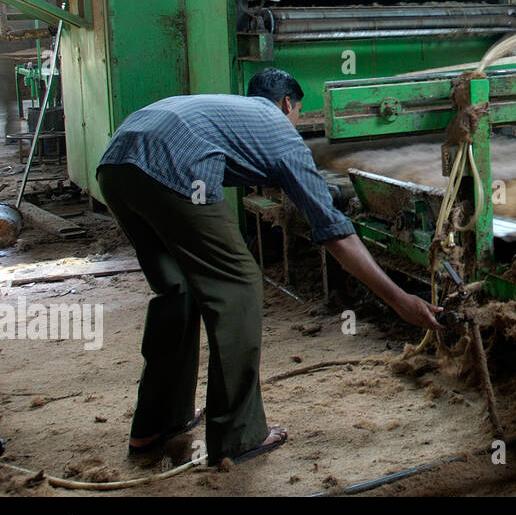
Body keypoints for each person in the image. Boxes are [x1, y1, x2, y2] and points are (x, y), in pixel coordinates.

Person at [97, 67, 441, 465]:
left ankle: (156, 423)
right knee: (238, 286)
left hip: (118, 162)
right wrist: (400, 301)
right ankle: (239, 437)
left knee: (178, 289)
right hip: (174, 166)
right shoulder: (278, 129)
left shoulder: (232, 113)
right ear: (286, 105)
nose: (295, 123)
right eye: (297, 114)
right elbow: (336, 235)